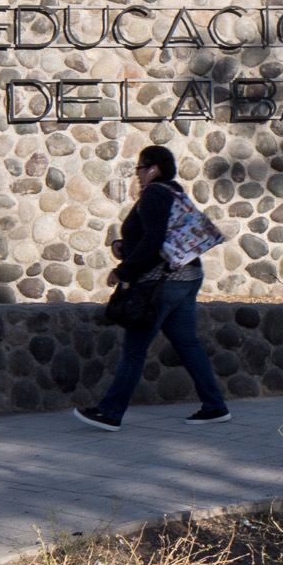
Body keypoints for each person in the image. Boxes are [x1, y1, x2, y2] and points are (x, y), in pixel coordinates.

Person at [75, 144, 229, 429]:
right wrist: (124, 246)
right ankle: (215, 405)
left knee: (134, 349)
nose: (137, 176)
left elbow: (155, 239)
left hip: (162, 284)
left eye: (140, 169)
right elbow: (156, 236)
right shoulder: (174, 191)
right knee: (187, 343)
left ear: (153, 168)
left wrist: (123, 271)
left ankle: (110, 412)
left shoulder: (155, 193)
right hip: (188, 277)